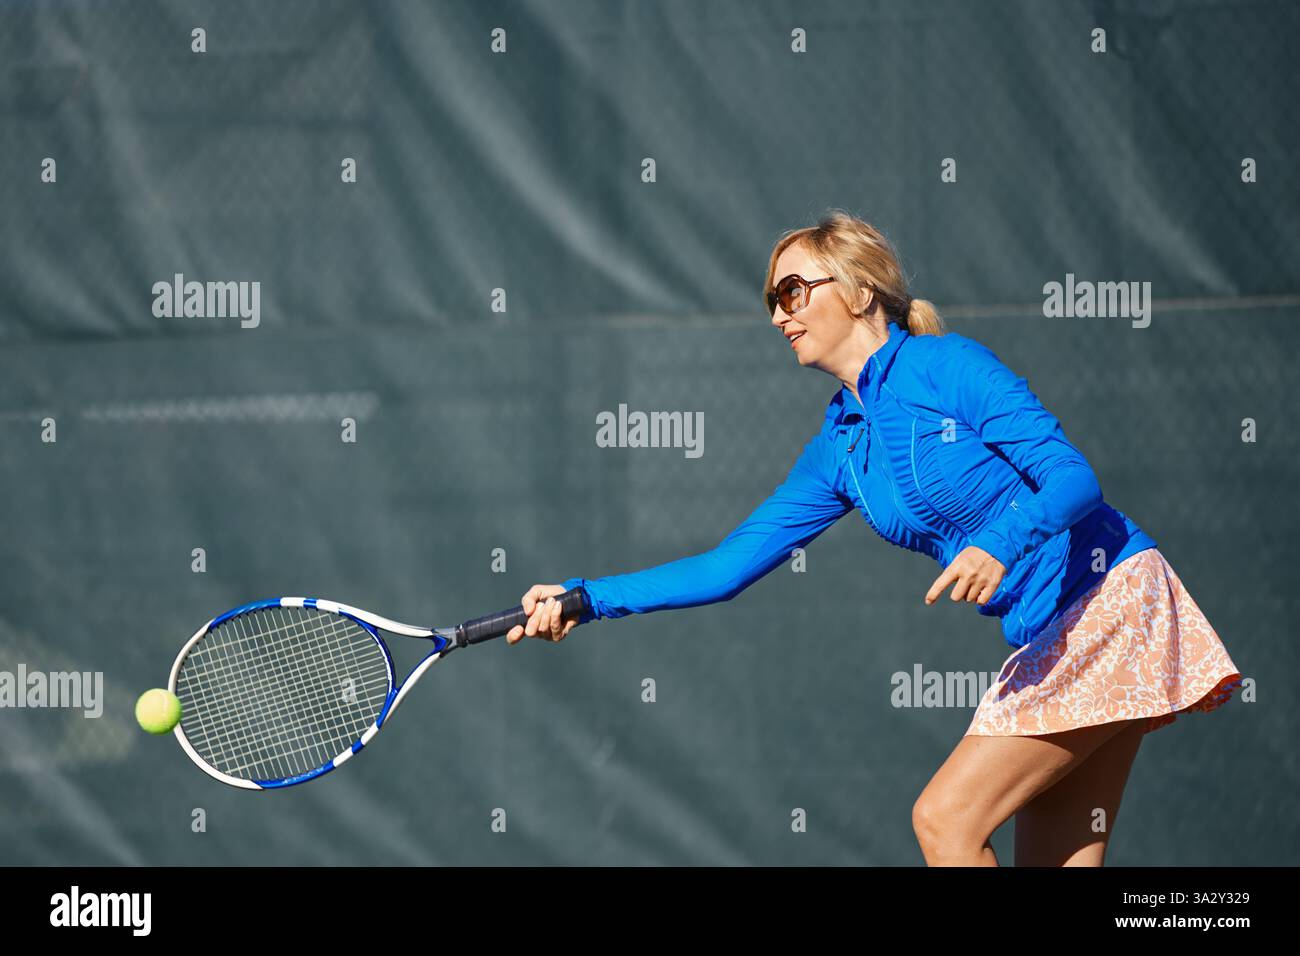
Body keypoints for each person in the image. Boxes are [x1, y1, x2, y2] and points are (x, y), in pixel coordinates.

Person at [505, 209, 1242, 866]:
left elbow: (1075, 480)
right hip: (1051, 632)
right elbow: (726, 567)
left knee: (944, 820)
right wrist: (586, 600)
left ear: (859, 293)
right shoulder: (841, 444)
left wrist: (1000, 542)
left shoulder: (948, 367)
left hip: (1110, 597)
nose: (778, 314)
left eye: (794, 290)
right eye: (772, 300)